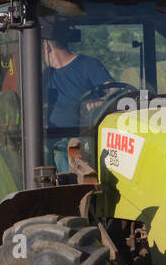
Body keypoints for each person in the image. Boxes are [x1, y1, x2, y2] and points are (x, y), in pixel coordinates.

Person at [42, 24, 114, 171]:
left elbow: (116, 92)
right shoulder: (47, 75)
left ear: (46, 46)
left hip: (84, 136)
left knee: (67, 150)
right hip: (52, 138)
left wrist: (100, 102)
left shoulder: (88, 65)